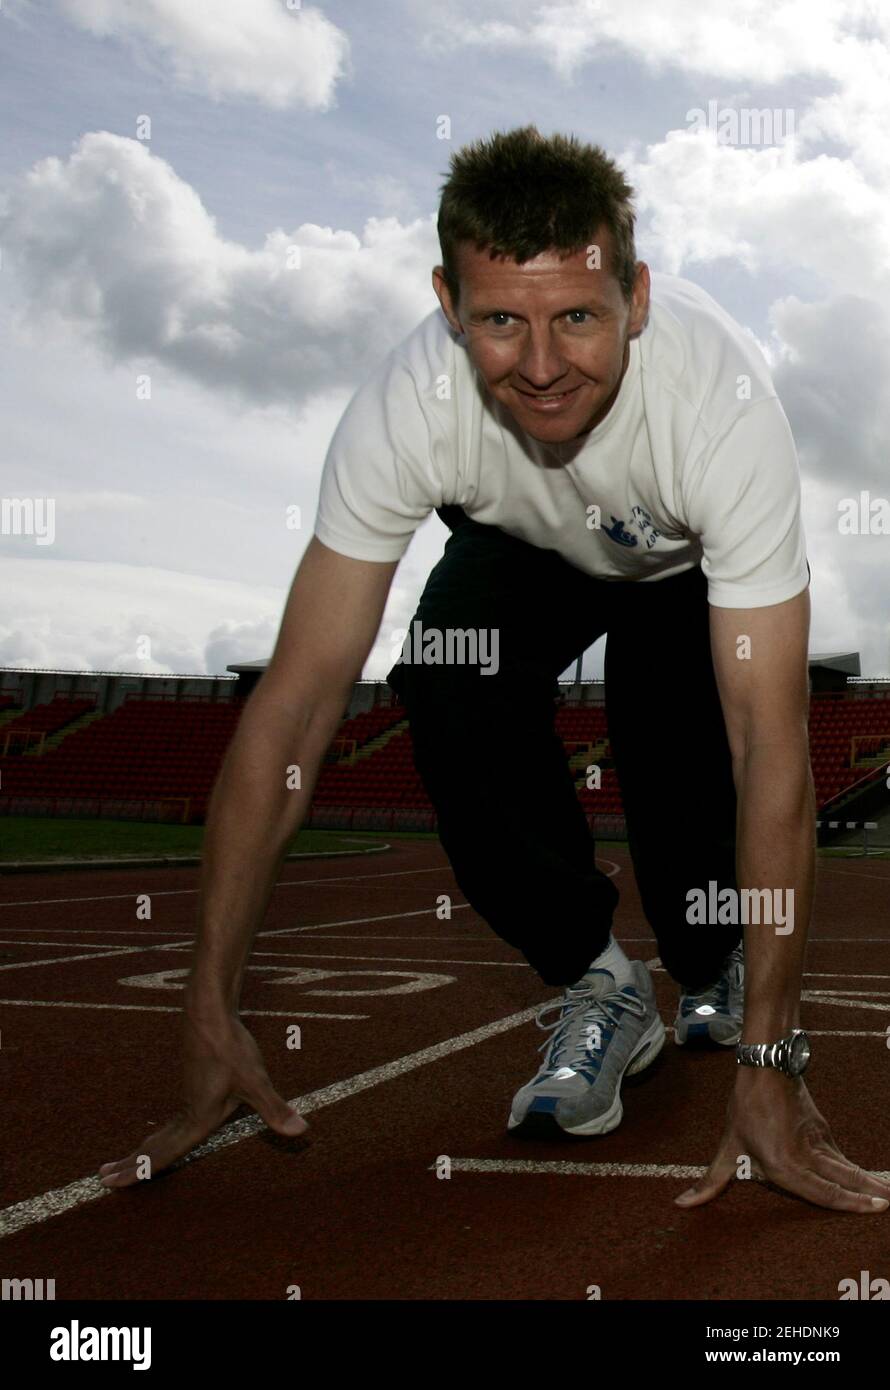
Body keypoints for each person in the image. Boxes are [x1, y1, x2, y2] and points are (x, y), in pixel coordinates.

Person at [101, 125, 889, 1214]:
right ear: (444, 302)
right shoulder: (406, 408)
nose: (541, 365)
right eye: (498, 323)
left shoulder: (720, 409)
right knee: (443, 669)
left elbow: (769, 744)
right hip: (521, 551)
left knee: (677, 745)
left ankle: (709, 967)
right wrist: (208, 1000)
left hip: (673, 563)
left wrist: (772, 1058)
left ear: (637, 295)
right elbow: (292, 707)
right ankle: (595, 981)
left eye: (577, 316)